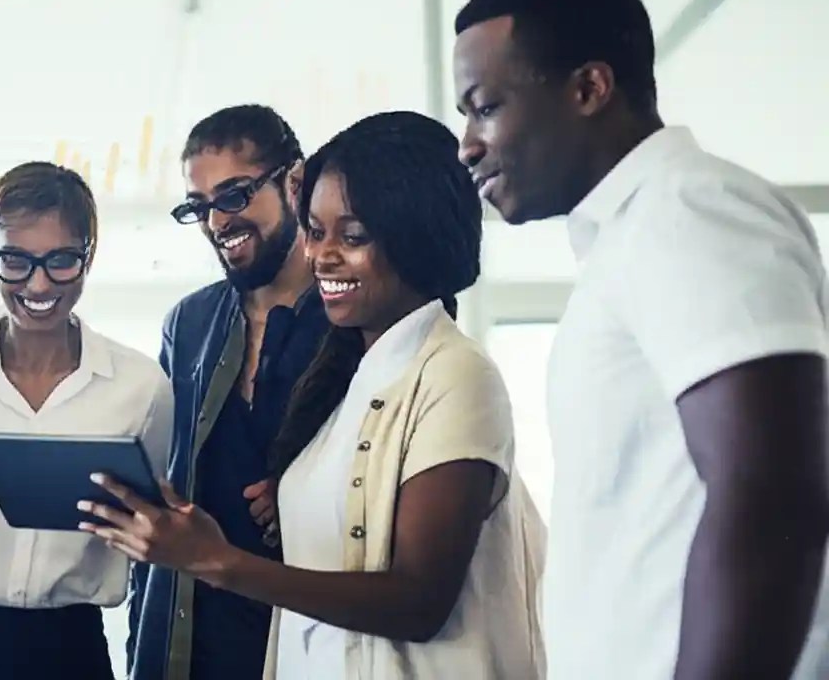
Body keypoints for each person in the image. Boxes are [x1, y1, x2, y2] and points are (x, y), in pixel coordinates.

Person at [452, 0, 829, 678]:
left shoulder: (689, 208)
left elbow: (773, 497)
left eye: (485, 106)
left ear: (589, 88)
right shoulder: (630, 237)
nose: (468, 143)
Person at [81, 110, 546, 679]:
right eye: (317, 231)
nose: (322, 255)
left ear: (414, 233)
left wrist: (215, 559)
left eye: (352, 236)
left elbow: (419, 601)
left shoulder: (455, 373)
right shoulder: (354, 374)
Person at [0, 161, 174, 679]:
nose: (38, 283)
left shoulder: (140, 387)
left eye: (61, 260)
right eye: (15, 260)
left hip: (72, 648)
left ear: (88, 256)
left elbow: (149, 531)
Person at [126, 105, 329, 680]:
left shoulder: (350, 315)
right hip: (193, 644)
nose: (217, 221)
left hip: (311, 635)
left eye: (235, 195)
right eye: (200, 206)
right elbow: (169, 488)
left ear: (295, 182)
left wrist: (302, 488)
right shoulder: (188, 324)